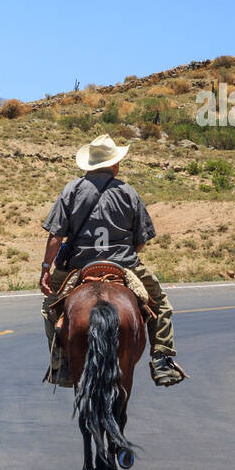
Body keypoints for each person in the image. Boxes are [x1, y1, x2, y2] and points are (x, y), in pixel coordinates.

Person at [39, 134, 183, 387]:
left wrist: (45, 269)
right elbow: (141, 240)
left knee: (50, 309)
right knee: (160, 305)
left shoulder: (71, 190)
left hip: (78, 266)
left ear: (88, 165)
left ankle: (60, 362)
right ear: (115, 165)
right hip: (123, 263)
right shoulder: (128, 192)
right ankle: (162, 359)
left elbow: (55, 236)